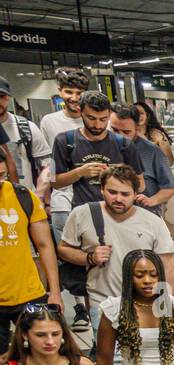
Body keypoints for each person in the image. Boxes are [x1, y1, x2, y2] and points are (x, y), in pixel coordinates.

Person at [58, 165, 174, 335]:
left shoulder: (153, 222)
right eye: (112, 192)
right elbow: (63, 249)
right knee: (106, 352)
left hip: (144, 307)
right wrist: (90, 257)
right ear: (102, 189)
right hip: (101, 305)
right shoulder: (82, 214)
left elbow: (167, 264)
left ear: (135, 194)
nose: (118, 199)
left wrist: (167, 307)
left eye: (125, 194)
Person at [40, 68, 92, 331]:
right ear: (60, 92)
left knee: (93, 253)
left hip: (92, 198)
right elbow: (49, 165)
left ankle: (97, 306)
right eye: (68, 92)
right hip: (63, 199)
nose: (73, 97)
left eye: (78, 92)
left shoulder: (94, 119)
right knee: (69, 255)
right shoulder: (50, 122)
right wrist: (46, 198)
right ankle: (80, 306)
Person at [0, 148, 62, 352]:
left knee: (41, 354)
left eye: (2, 175)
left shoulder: (22, 196)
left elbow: (45, 245)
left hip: (28, 294)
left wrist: (54, 292)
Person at [108, 104, 174, 222]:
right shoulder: (101, 146)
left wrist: (152, 200)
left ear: (137, 129)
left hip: (143, 218)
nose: (119, 136)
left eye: (126, 132)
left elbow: (170, 187)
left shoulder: (152, 151)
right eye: (114, 130)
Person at [0, 74, 53, 199]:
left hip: (25, 199)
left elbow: (50, 165)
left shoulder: (26, 127)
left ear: (8, 98)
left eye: (1, 96)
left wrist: (41, 196)